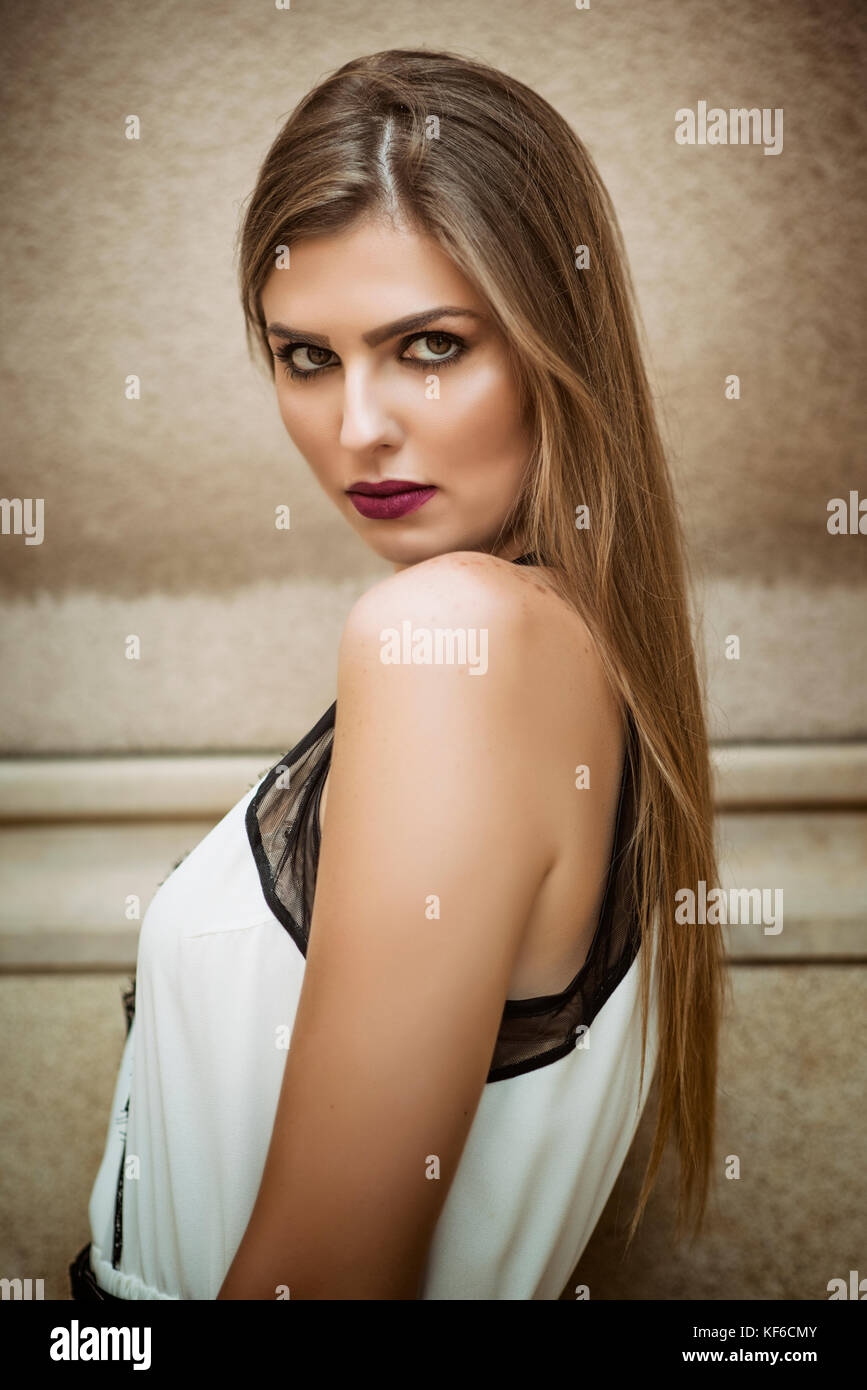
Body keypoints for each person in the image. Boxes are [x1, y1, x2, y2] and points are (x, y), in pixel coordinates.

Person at [71, 47, 725, 1302]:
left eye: (427, 345)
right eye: (304, 356)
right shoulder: (573, 649)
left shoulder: (453, 642)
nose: (356, 425)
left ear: (554, 343)